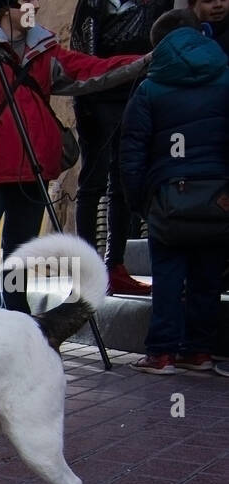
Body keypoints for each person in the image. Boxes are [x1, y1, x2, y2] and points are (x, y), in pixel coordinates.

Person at [0, 0, 148, 313]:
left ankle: (16, 319)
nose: (33, 5)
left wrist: (144, 62)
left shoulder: (44, 51)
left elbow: (88, 70)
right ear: (2, 8)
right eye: (24, 1)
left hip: (33, 167)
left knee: (22, 251)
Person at [119, 9, 229, 374]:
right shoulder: (225, 76)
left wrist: (139, 200)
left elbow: (132, 150)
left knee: (167, 275)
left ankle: (162, 353)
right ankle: (198, 351)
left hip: (168, 195)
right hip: (218, 194)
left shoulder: (150, 86)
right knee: (208, 276)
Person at [70, 0, 171, 296]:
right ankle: (88, 271)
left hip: (139, 93)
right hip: (98, 95)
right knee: (93, 183)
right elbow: (81, 50)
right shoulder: (92, 3)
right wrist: (85, 99)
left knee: (124, 182)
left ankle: (114, 266)